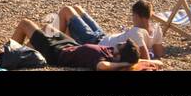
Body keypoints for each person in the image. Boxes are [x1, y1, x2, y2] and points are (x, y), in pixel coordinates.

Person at [11, 19, 158, 70]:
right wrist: (139, 61)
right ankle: (24, 54)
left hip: (57, 52)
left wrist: (123, 64)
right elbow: (157, 62)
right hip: (69, 44)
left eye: (121, 45)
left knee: (25, 23)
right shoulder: (112, 53)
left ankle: (8, 55)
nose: (119, 42)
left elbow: (102, 67)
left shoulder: (103, 60)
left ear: (119, 55)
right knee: (45, 28)